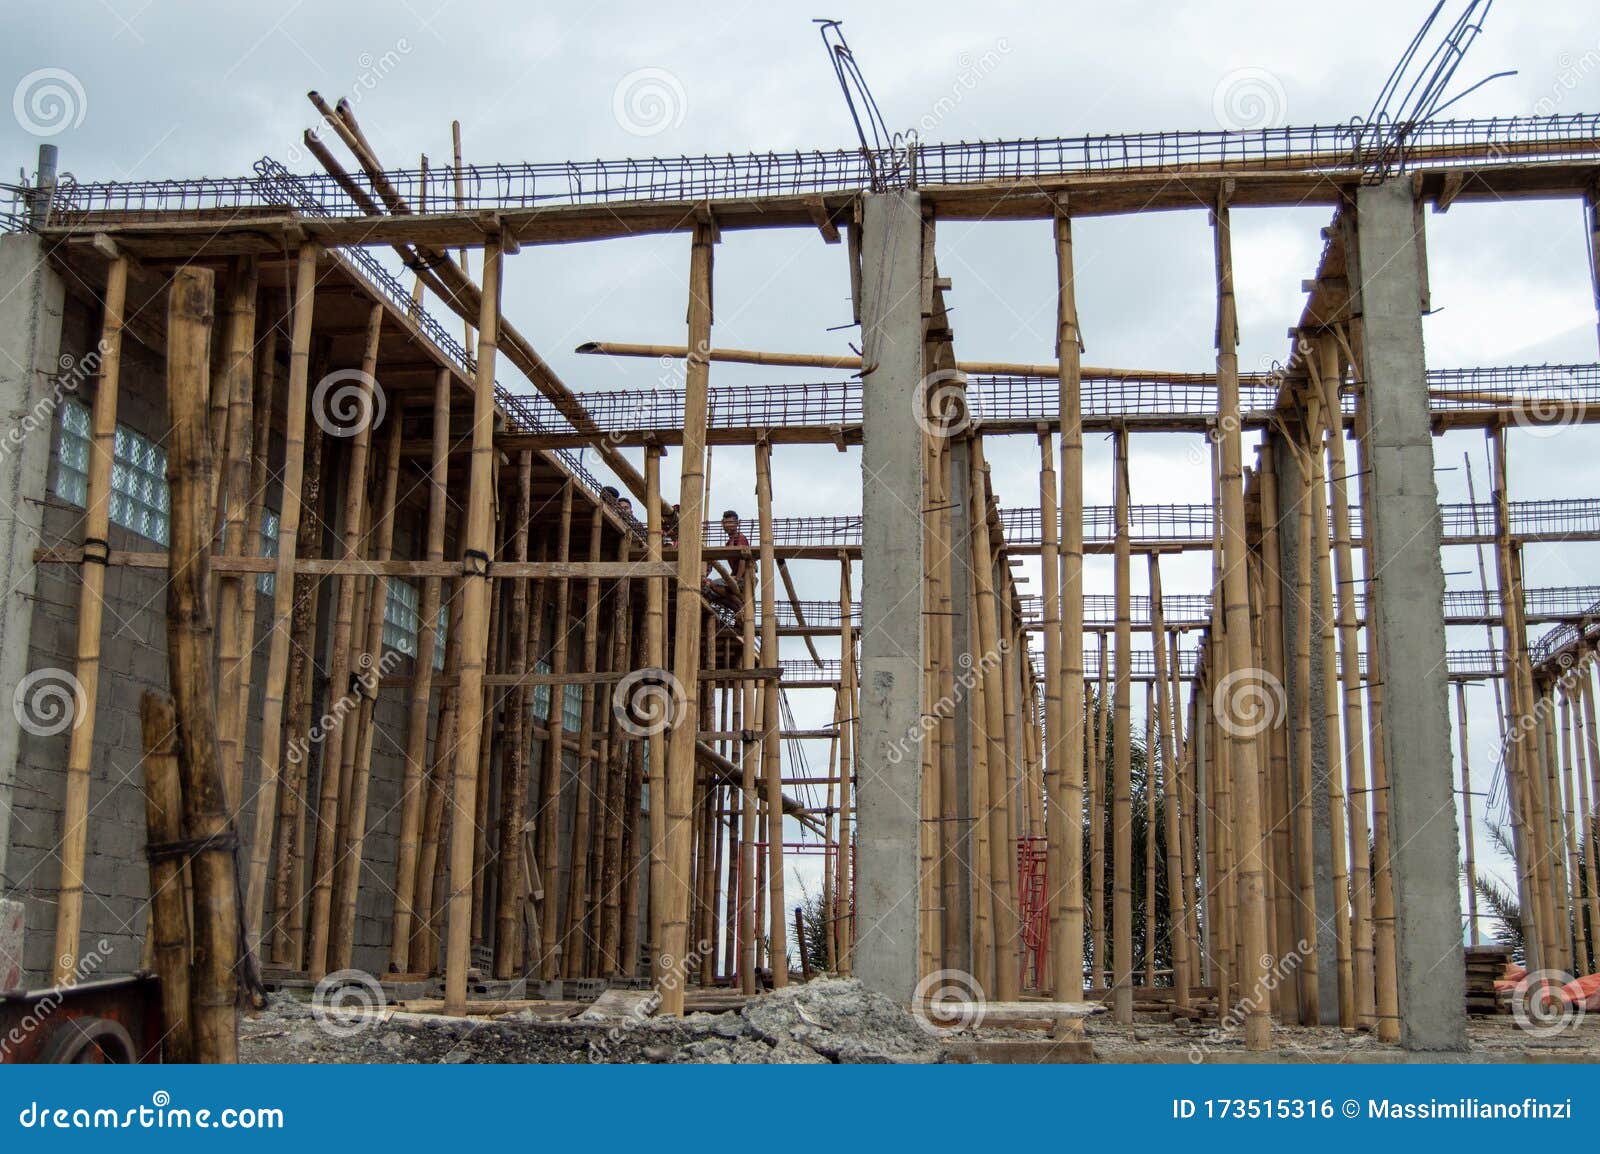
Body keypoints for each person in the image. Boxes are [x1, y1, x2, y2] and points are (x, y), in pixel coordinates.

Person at [703, 510, 750, 610]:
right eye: (725, 523)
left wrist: (736, 578)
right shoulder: (729, 543)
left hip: (744, 579)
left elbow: (743, 560)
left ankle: (739, 603)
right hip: (737, 576)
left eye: (730, 522)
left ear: (737, 523)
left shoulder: (740, 538)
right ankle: (738, 609)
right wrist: (731, 576)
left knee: (713, 585)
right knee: (709, 592)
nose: (727, 525)